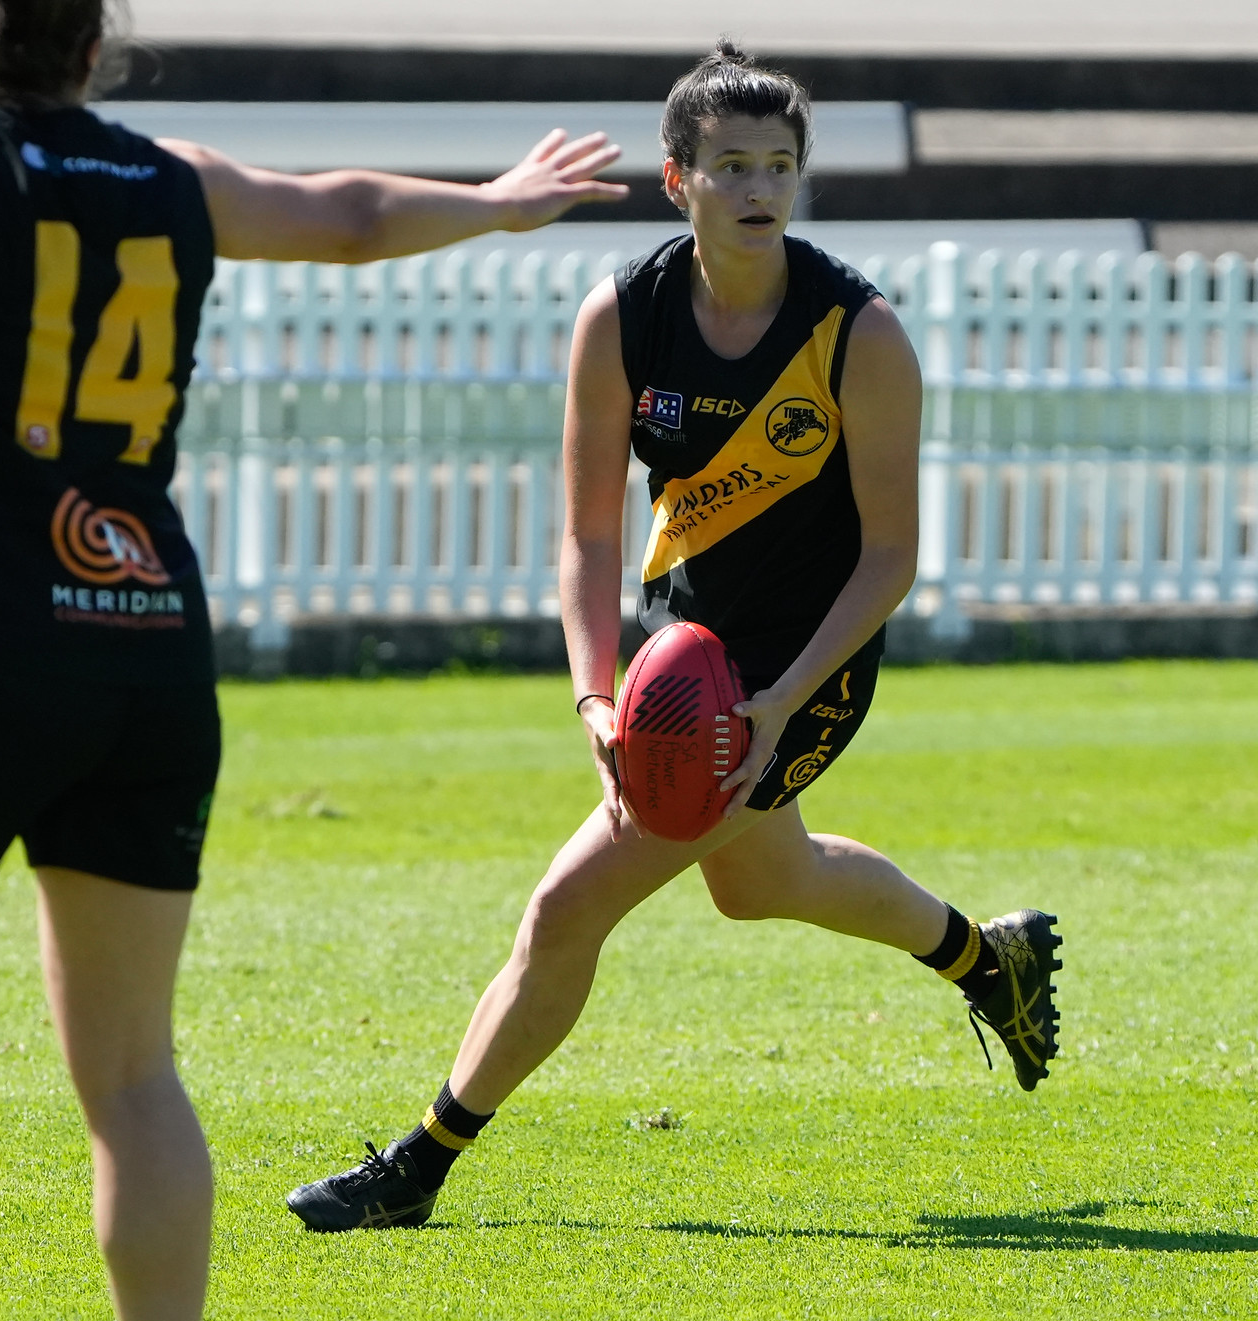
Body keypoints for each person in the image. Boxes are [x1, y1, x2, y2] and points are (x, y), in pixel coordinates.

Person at [0, 2, 626, 1321]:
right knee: (134, 1072)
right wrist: (495, 204)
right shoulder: (166, 175)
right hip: (151, 660)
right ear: (93, 51)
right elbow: (347, 214)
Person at [286, 42, 1063, 1235]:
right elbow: (587, 538)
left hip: (810, 663)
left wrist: (780, 702)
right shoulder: (627, 315)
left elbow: (889, 559)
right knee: (763, 886)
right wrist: (596, 700)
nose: (759, 189)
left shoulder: (862, 334)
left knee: (565, 909)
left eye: (781, 167)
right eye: (731, 166)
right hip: (682, 658)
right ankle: (984, 960)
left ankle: (418, 1166)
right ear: (676, 179)